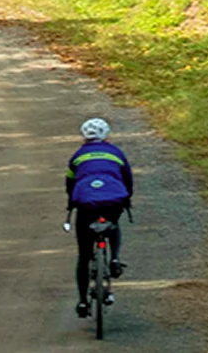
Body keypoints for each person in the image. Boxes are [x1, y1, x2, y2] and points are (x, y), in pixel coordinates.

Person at [64, 116, 133, 318]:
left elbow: (69, 183)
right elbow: (128, 179)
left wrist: (72, 204)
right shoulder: (116, 153)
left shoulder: (77, 157)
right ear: (106, 136)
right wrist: (127, 199)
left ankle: (83, 301)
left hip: (86, 202)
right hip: (113, 199)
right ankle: (114, 258)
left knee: (84, 255)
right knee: (113, 224)